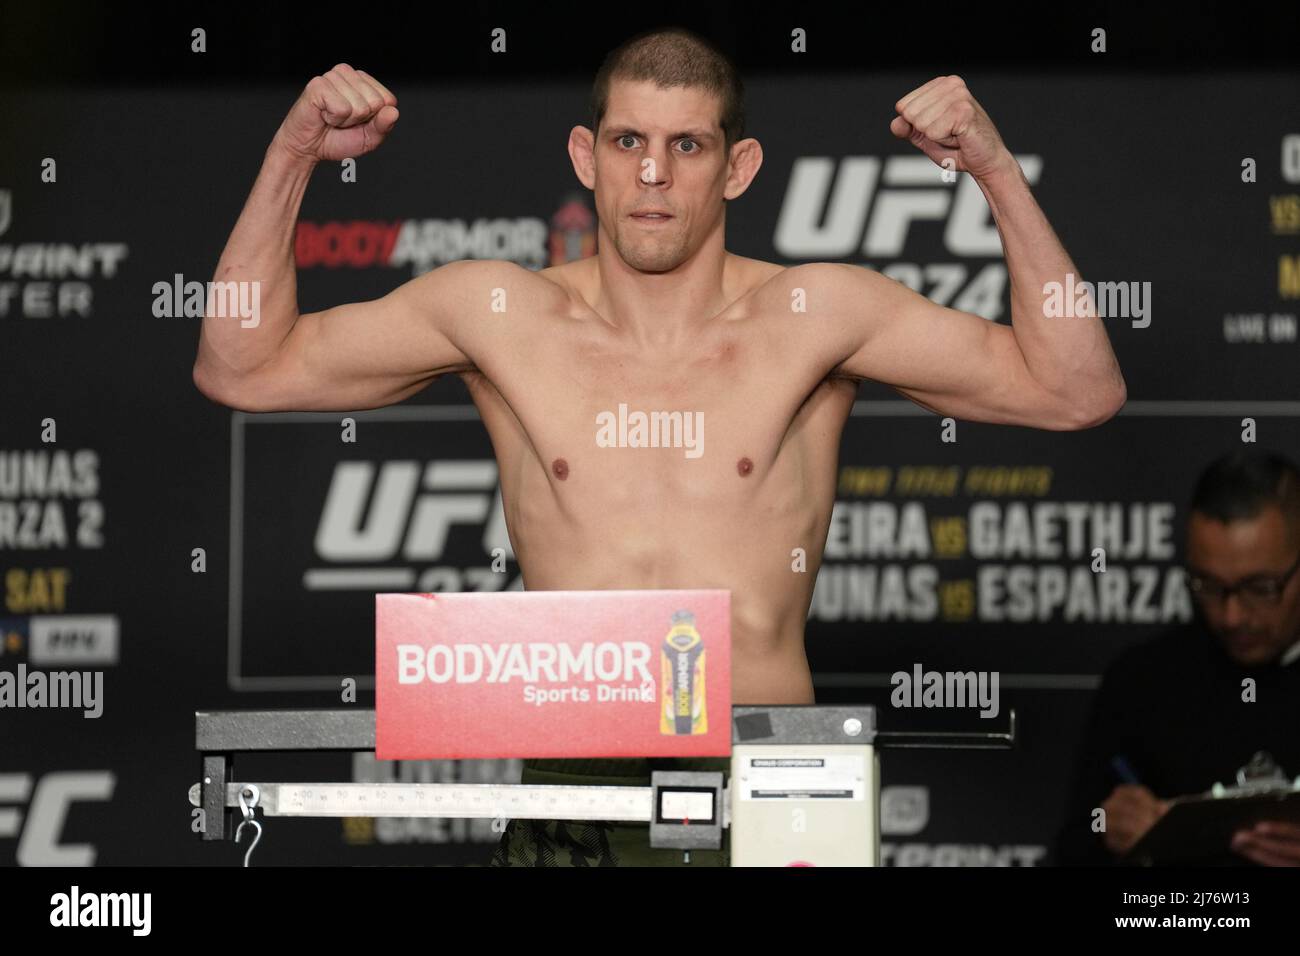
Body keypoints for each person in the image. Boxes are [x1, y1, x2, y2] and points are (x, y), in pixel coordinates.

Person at [192, 27, 1126, 865]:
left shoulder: (816, 315)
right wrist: (294, 153)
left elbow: (1076, 389)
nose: (652, 174)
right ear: (584, 156)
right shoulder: (499, 314)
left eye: (688, 146)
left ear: (739, 166)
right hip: (576, 775)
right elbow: (244, 365)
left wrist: (998, 171)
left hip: (778, 770)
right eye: (628, 142)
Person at [1055, 451, 1300, 866]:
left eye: (1260, 587)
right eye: (1207, 585)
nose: (1232, 615)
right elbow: (1075, 845)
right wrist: (1110, 830)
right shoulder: (1143, 679)